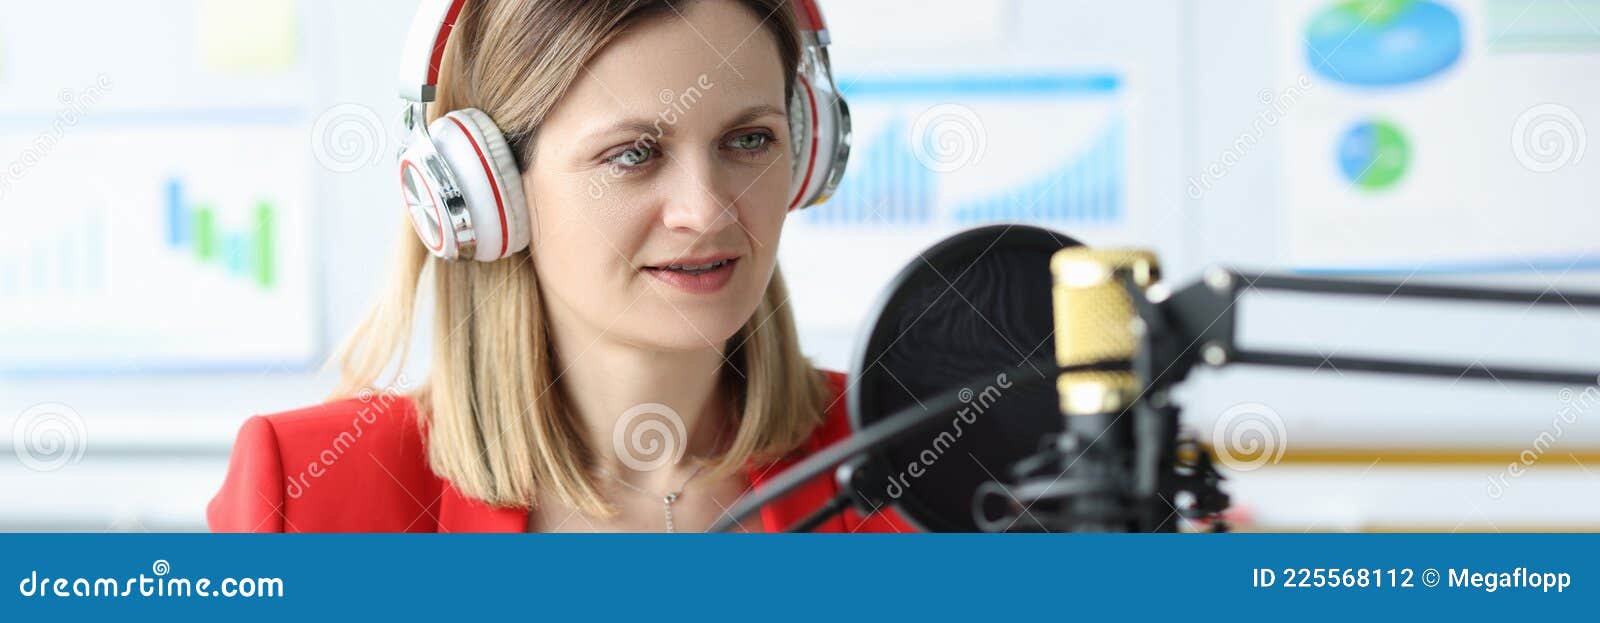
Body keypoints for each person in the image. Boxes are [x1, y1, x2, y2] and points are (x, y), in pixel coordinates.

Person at [207, 0, 910, 533]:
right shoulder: (307, 492)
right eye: (634, 154)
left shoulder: (927, 447)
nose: (708, 211)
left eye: (750, 139)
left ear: (808, 155)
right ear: (490, 192)